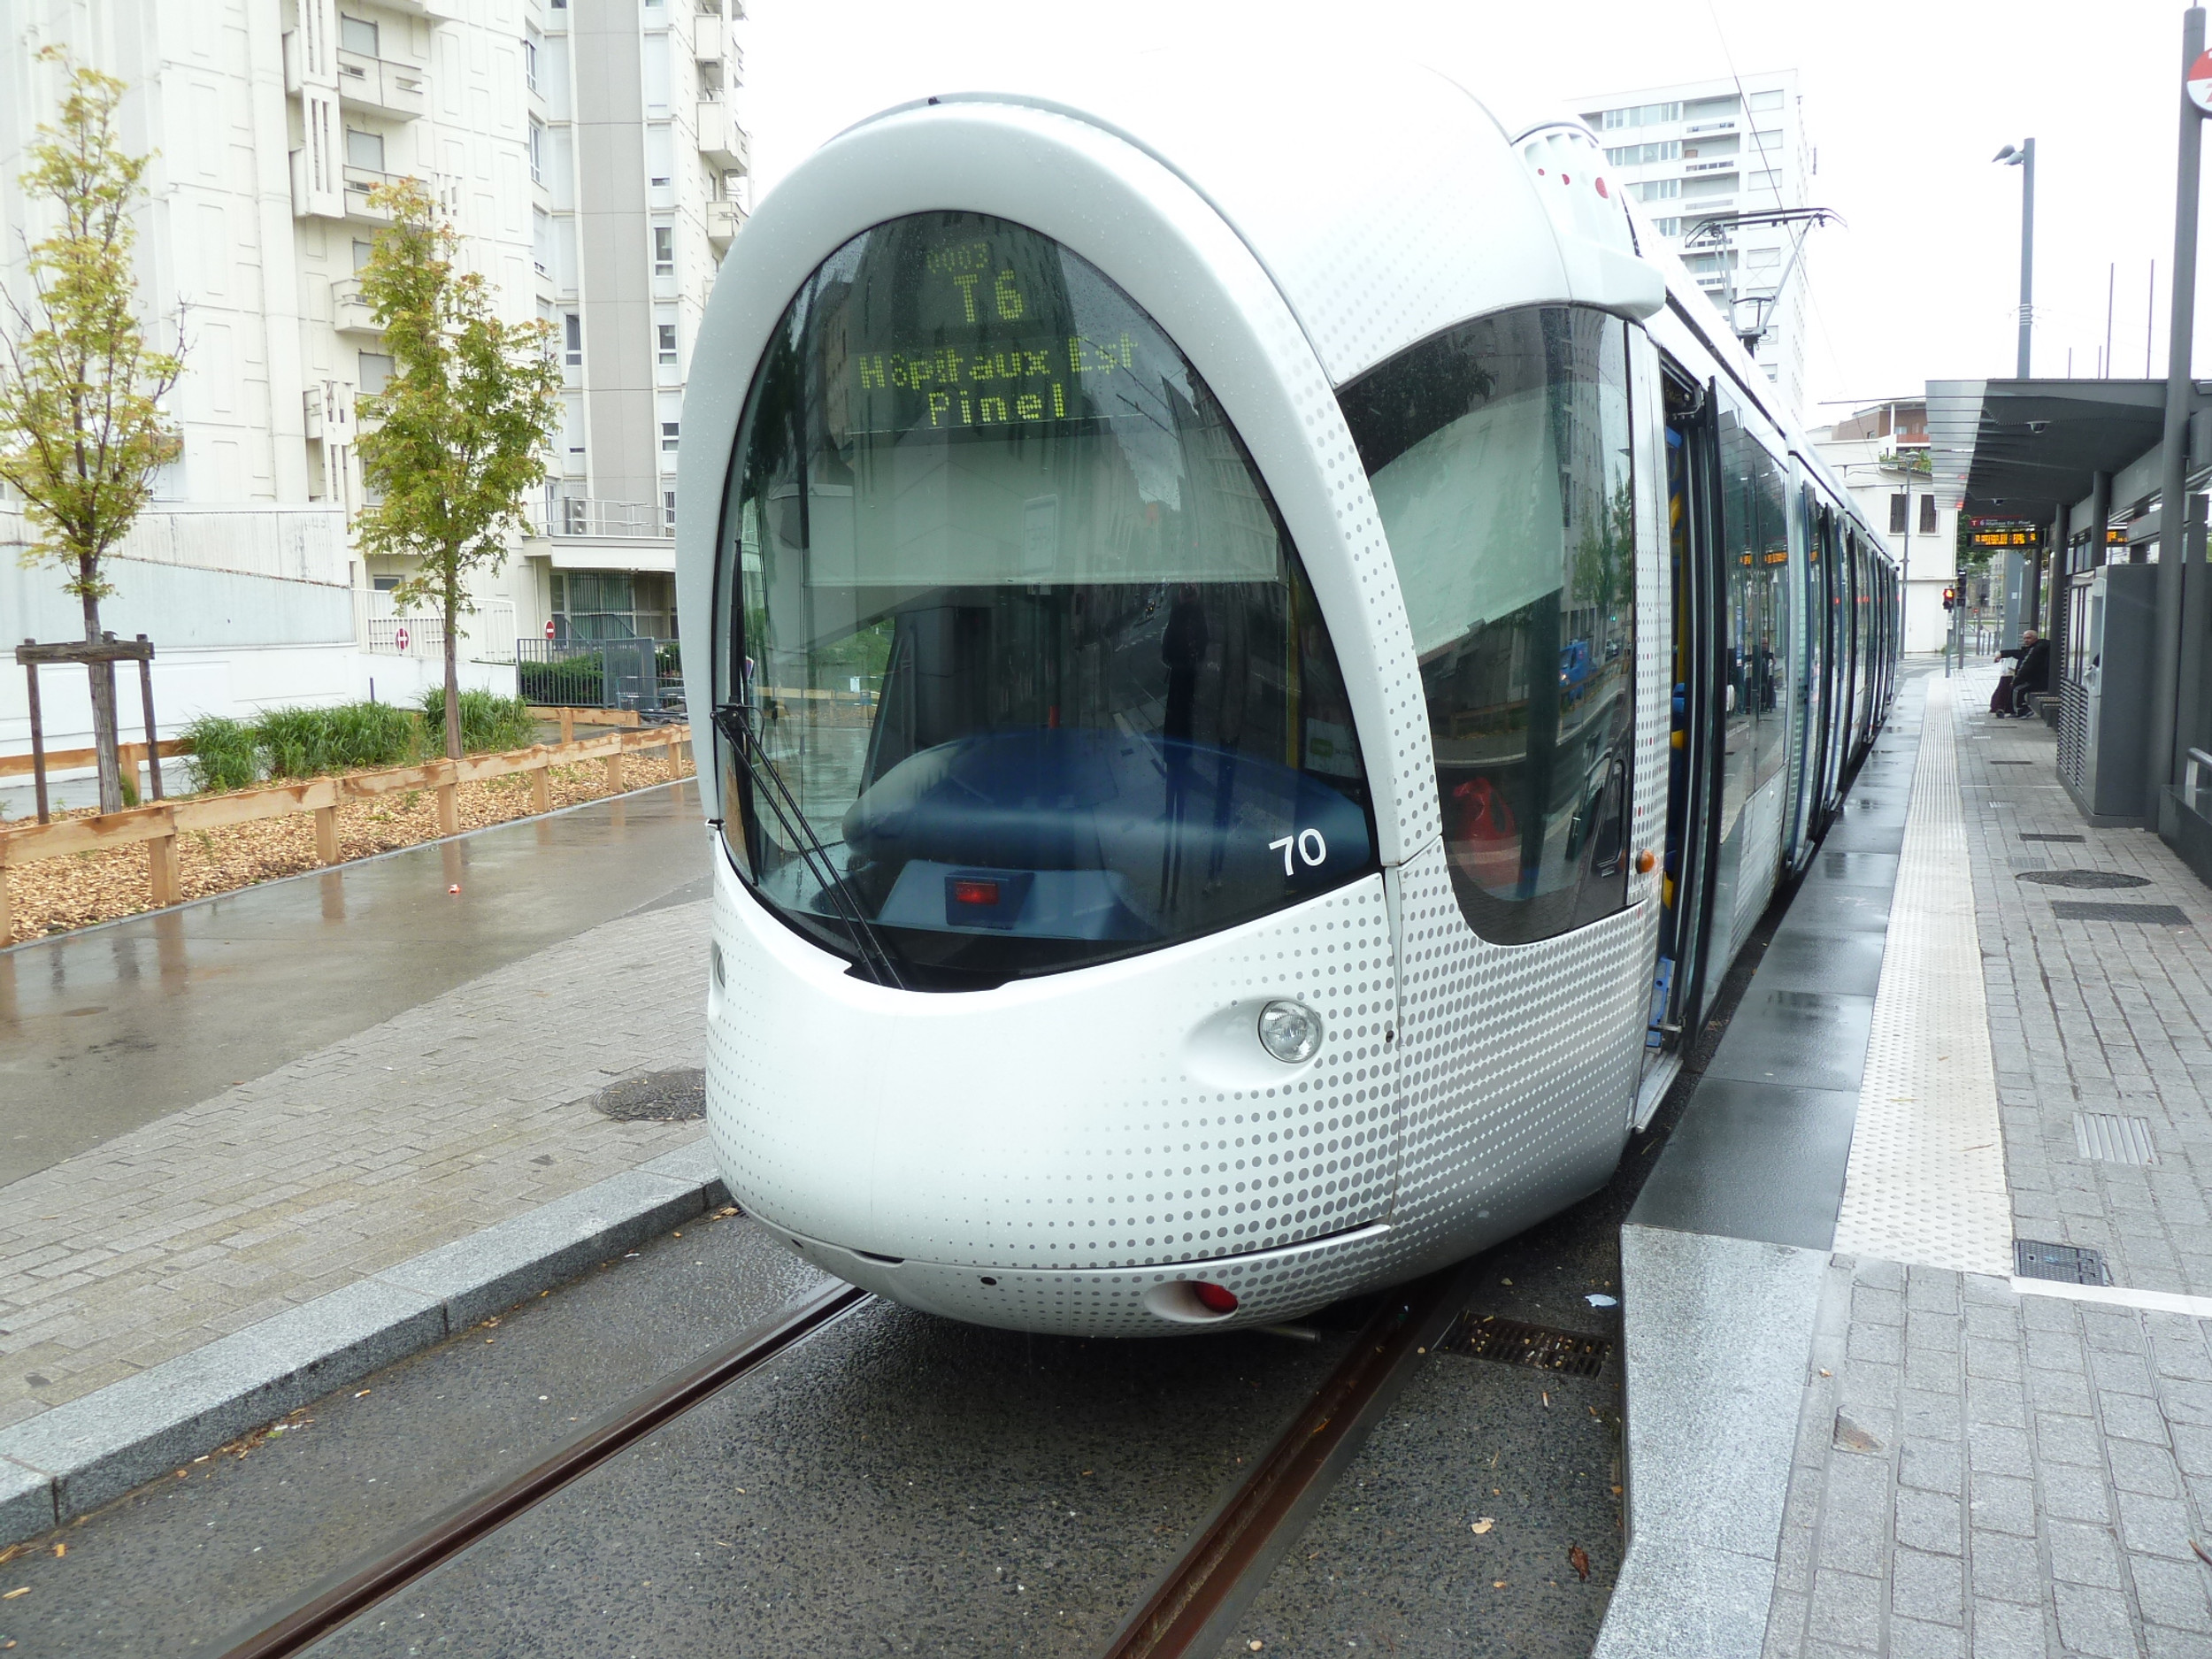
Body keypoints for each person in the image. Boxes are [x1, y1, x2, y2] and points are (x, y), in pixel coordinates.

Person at [1994, 629, 2050, 717]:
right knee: (2013, 686)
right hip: (2036, 678)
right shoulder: (2033, 648)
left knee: (2017, 689)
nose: (2026, 640)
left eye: (2028, 638)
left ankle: (2021, 710)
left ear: (2035, 638)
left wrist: (2017, 680)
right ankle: (2014, 709)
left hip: (2040, 680)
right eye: (2024, 638)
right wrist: (2001, 654)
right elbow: (2019, 653)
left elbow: (2027, 666)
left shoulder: (2036, 650)